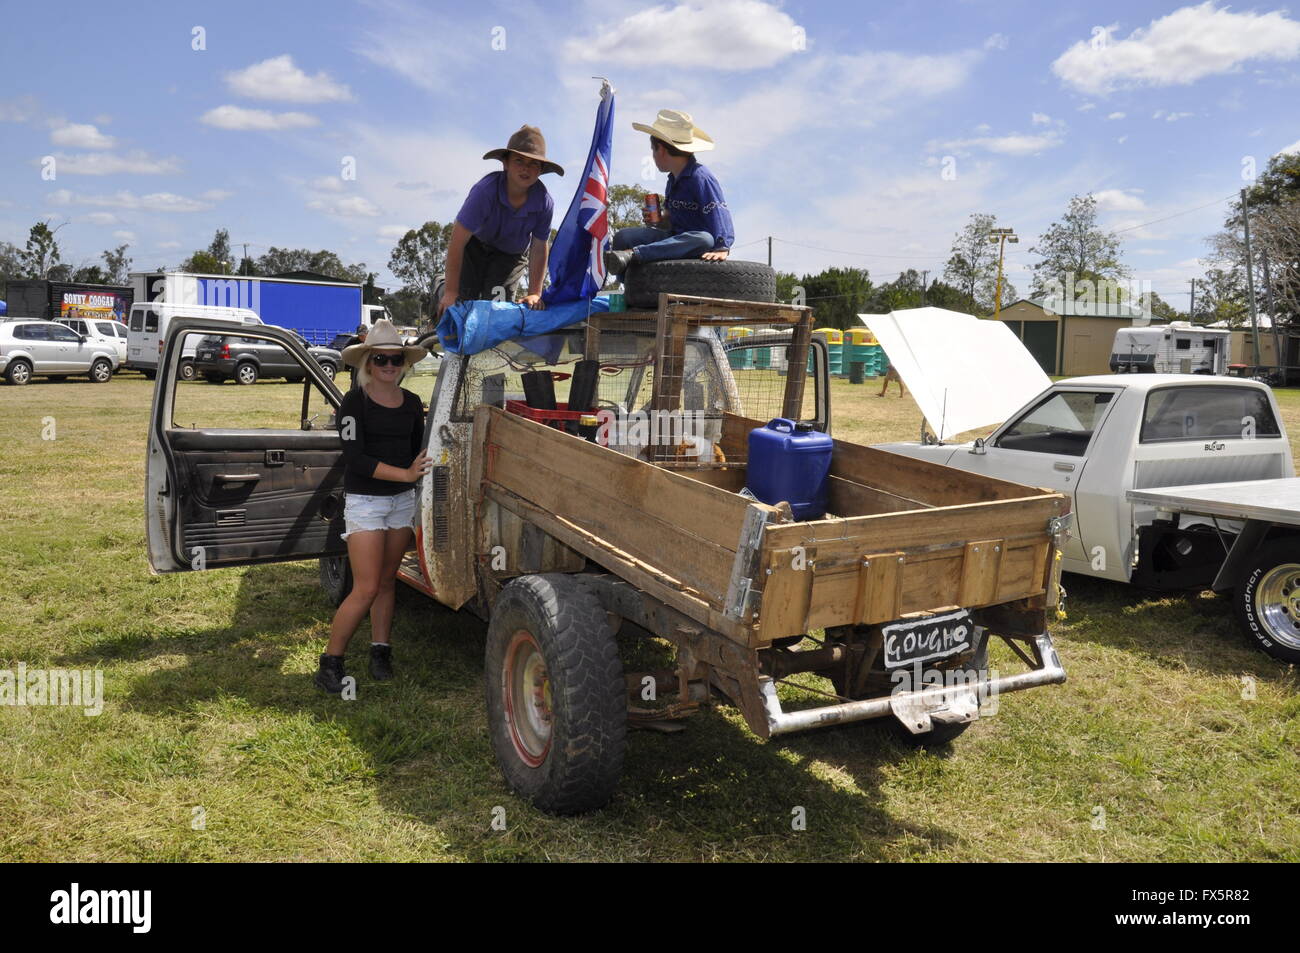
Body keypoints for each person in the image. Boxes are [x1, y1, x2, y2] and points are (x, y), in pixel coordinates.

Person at [316, 320, 432, 694]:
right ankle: (330, 664)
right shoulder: (354, 401)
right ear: (368, 361)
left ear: (404, 362)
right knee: (365, 588)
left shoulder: (413, 403)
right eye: (381, 358)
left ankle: (380, 651)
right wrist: (405, 475)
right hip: (366, 502)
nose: (388, 365)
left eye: (395, 359)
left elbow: (417, 450)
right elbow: (355, 458)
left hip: (401, 503)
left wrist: (411, 476)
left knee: (386, 581)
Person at [436, 125, 564, 319]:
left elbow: (538, 247)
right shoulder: (485, 192)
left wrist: (535, 293)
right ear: (505, 163)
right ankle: (442, 285)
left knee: (496, 307)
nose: (525, 168)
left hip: (510, 256)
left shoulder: (544, 202)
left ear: (540, 170)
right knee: (460, 302)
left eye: (533, 164)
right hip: (475, 247)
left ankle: (490, 347)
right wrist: (451, 292)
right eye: (519, 160)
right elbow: (458, 240)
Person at [604, 109, 734, 276]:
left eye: (653, 150)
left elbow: (719, 212)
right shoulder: (672, 180)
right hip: (674, 239)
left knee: (704, 239)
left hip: (694, 245)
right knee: (624, 237)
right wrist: (660, 220)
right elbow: (672, 223)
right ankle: (632, 285)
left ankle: (634, 254)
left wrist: (723, 247)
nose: (653, 156)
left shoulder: (701, 177)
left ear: (661, 149)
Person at [341, 324, 368, 391]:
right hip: (355, 371)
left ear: (367, 333)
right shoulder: (353, 341)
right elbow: (344, 352)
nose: (360, 337)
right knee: (354, 390)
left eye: (362, 335)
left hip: (368, 371)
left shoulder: (372, 341)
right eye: (359, 335)